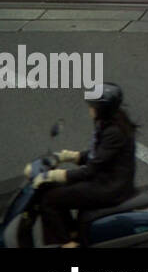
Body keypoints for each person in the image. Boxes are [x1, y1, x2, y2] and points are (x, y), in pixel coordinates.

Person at [30, 83, 136, 247]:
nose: (90, 108)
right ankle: (72, 233)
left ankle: (65, 243)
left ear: (103, 108)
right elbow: (99, 155)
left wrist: (56, 174)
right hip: (105, 180)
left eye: (93, 105)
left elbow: (92, 169)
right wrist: (70, 156)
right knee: (50, 188)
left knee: (50, 200)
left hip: (109, 187)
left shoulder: (113, 131)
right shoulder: (111, 122)